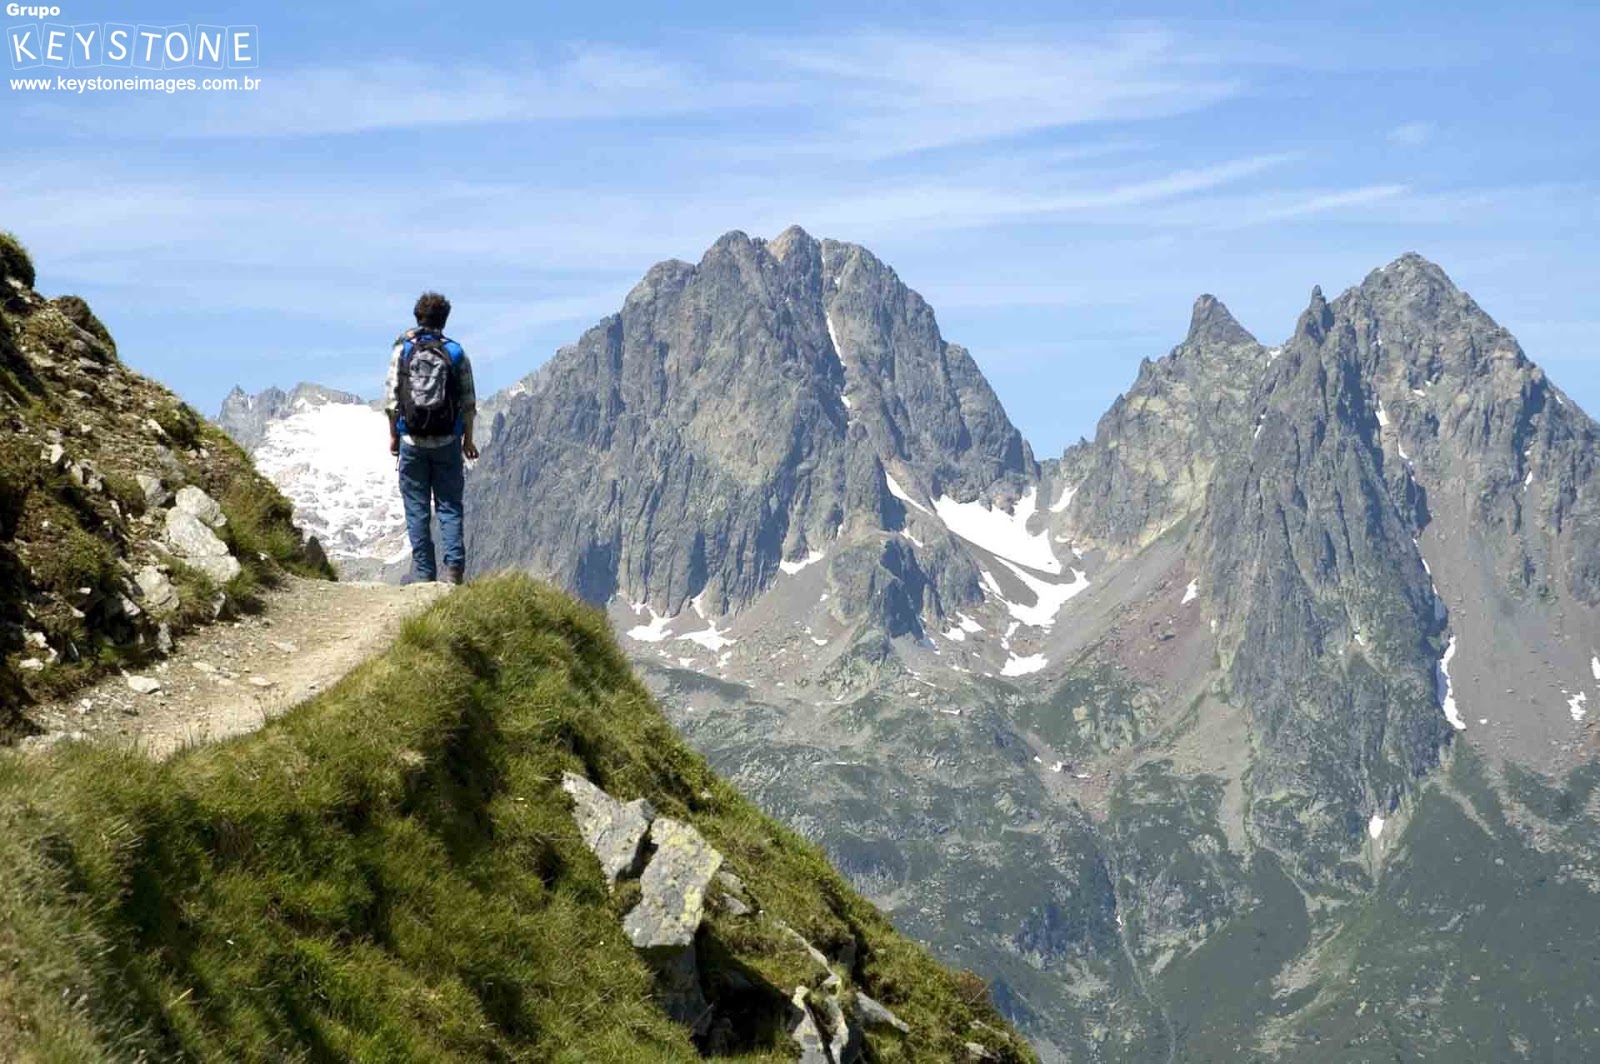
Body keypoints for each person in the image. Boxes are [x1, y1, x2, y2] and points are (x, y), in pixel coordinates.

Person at [386, 291, 478, 584]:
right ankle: (453, 570)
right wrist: (467, 440)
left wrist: (394, 437)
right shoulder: (456, 352)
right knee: (449, 506)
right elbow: (468, 402)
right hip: (448, 442)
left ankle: (424, 575)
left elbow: (392, 400)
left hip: (411, 441)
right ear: (445, 320)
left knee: (417, 510)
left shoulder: (403, 351)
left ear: (417, 317)